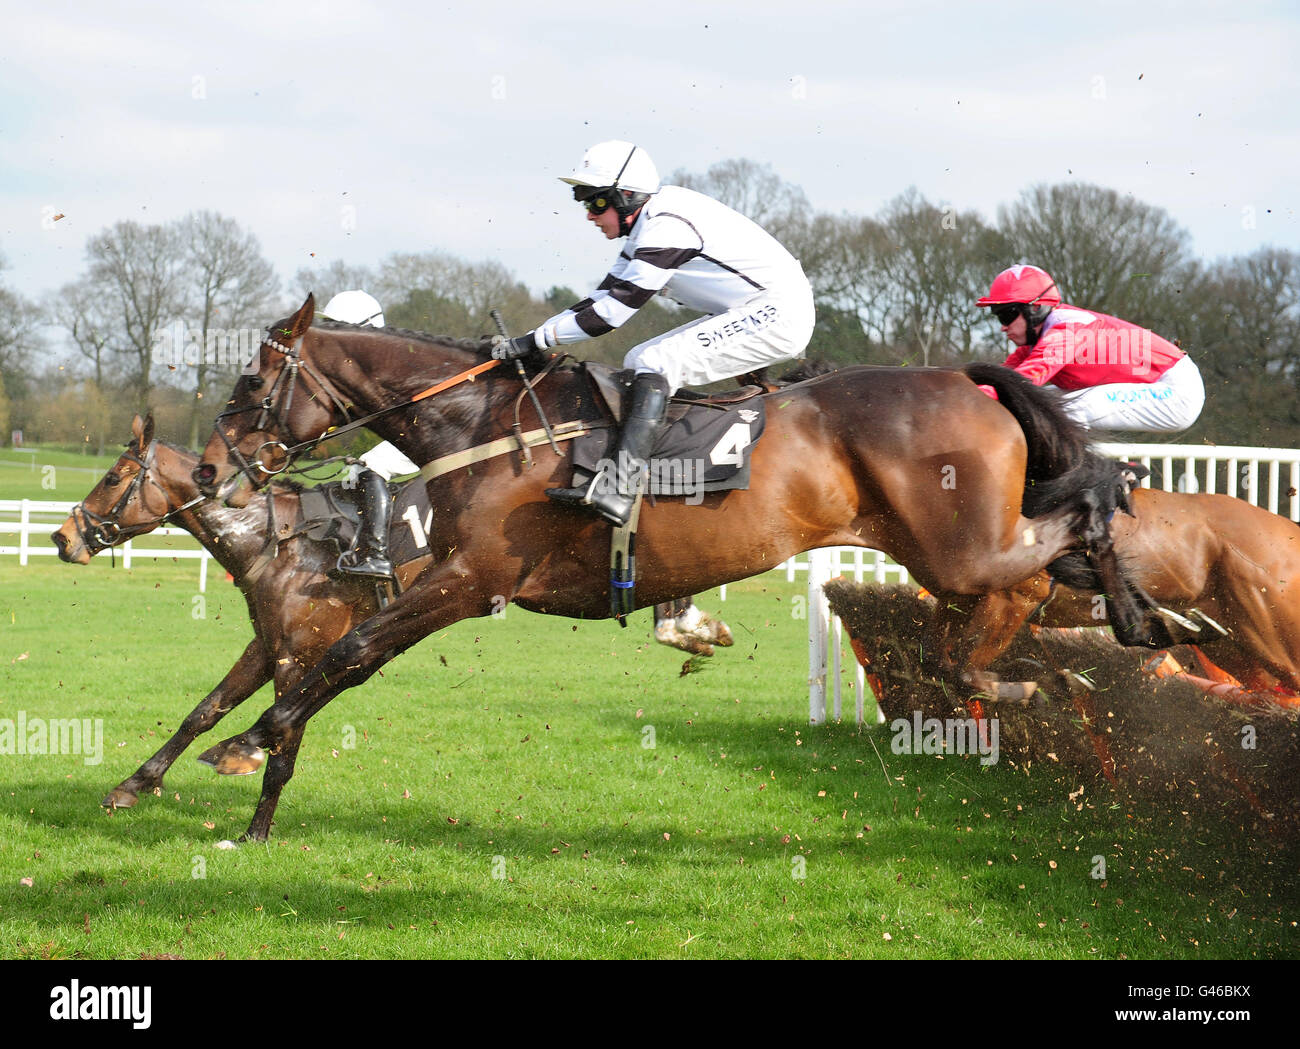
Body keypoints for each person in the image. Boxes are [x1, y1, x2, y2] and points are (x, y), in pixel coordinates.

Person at [493, 140, 816, 526]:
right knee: (638, 360)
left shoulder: (667, 226)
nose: (590, 216)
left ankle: (619, 487)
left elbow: (611, 315)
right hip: (758, 309)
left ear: (627, 196)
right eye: (585, 203)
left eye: (596, 203)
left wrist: (534, 343)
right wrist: (533, 336)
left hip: (779, 314)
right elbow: (600, 297)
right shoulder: (648, 225)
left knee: (654, 361)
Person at [977, 264, 1204, 433]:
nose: (1003, 327)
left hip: (1176, 391)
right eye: (998, 317)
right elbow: (1003, 377)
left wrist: (974, 397)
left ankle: (1092, 478)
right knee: (1038, 403)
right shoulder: (1040, 334)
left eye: (1006, 315)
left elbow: (1025, 380)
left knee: (1066, 408)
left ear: (1035, 308)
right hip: (1158, 383)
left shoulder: (1067, 329)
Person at [320, 290, 416, 578]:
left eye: (338, 327)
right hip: (419, 433)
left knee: (371, 465)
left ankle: (376, 555)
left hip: (428, 436)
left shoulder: (383, 361)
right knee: (355, 473)